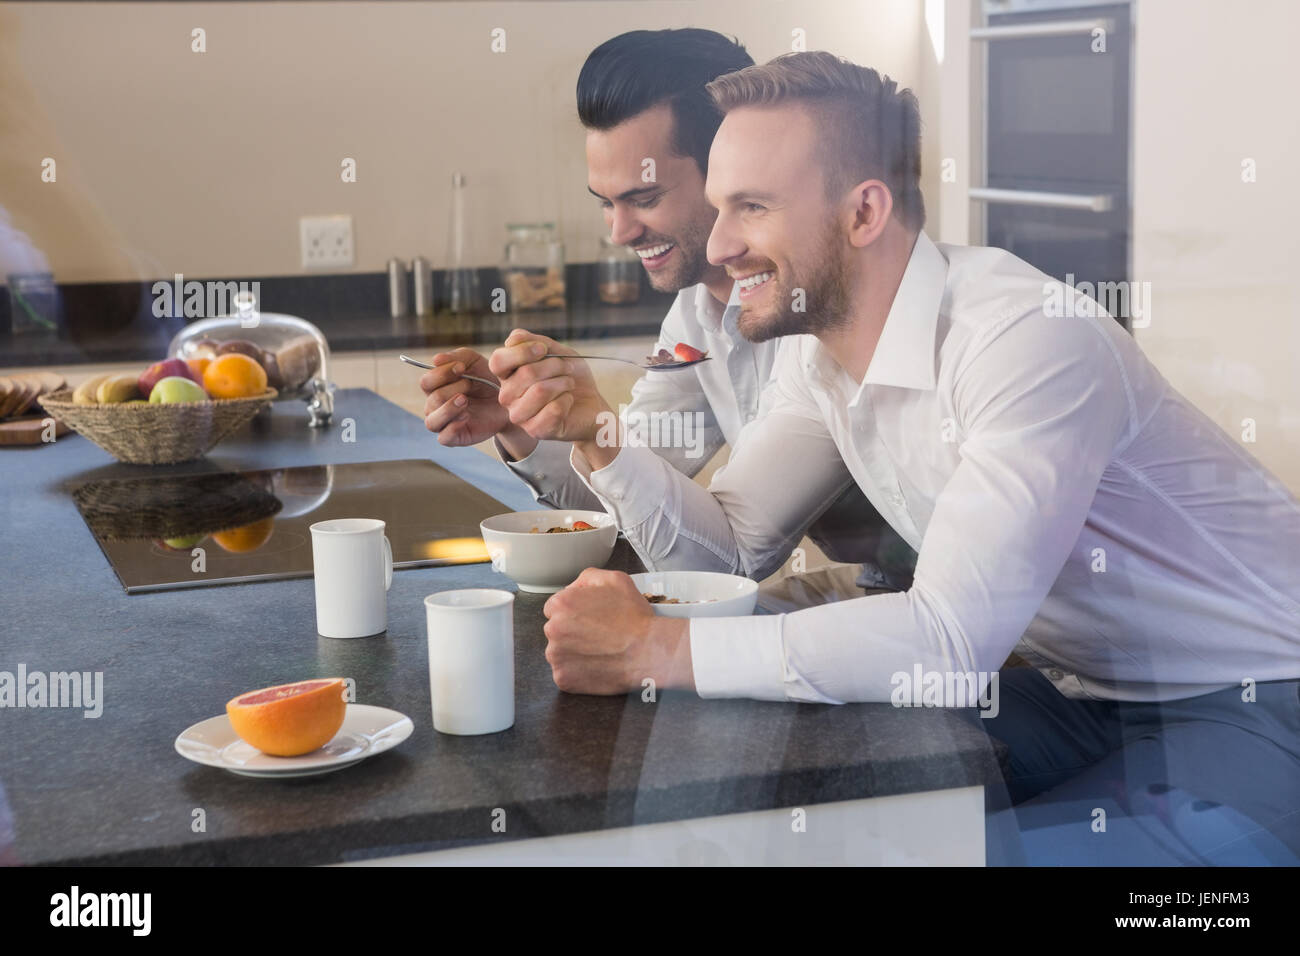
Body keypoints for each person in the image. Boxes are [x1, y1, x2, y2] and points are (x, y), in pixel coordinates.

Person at [490, 51, 1300, 865]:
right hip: (1083, 690)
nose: (723, 244)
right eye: (718, 207)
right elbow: (732, 549)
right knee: (826, 809)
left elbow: (948, 642)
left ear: (864, 212)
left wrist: (658, 648)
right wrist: (602, 436)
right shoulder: (822, 356)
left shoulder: (1024, 341)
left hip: (1260, 696)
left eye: (753, 208)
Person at [417, 29, 916, 599]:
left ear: (731, 168)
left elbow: (727, 561)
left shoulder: (818, 309)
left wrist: (601, 434)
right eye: (606, 203)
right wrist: (523, 422)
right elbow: (629, 504)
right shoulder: (697, 309)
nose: (619, 232)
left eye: (644, 199)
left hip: (981, 623)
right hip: (885, 586)